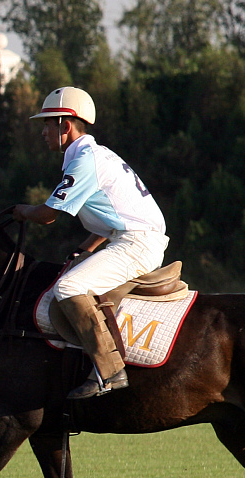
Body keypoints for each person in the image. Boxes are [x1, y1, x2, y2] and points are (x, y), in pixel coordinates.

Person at [12, 86, 168, 399]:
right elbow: (113, 214)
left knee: (68, 288)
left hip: (137, 243)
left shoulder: (85, 161)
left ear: (65, 126)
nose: (43, 131)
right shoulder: (95, 155)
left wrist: (19, 211)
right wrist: (87, 248)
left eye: (47, 124)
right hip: (131, 237)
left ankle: (109, 371)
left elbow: (46, 215)